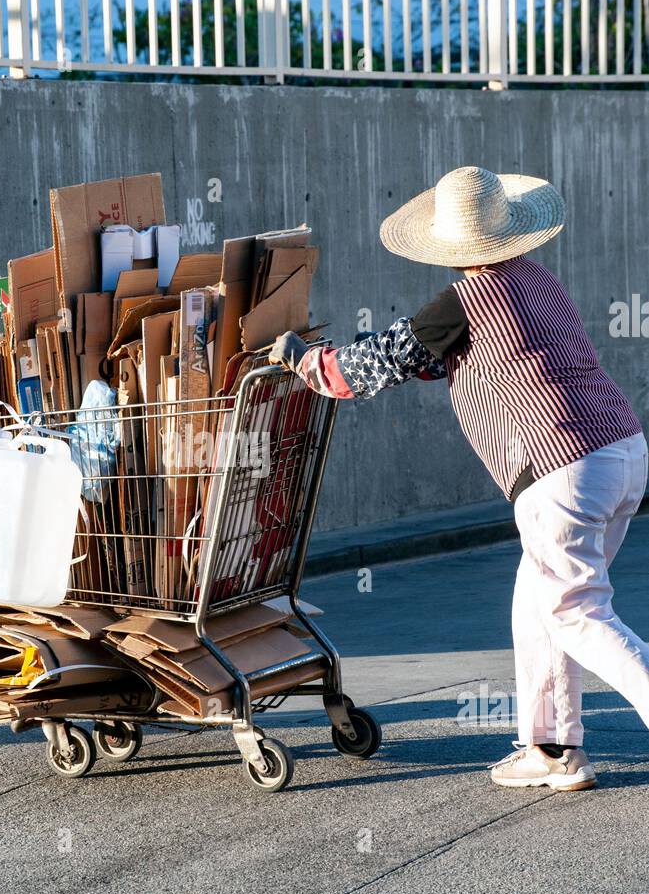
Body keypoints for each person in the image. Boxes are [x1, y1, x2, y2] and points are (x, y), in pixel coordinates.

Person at [270, 166, 649, 792]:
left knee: (578, 610)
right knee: (539, 608)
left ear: (450, 246)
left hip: (564, 470)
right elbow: (441, 354)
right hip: (621, 450)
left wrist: (303, 358)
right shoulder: (537, 281)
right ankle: (551, 750)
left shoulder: (461, 303)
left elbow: (364, 371)